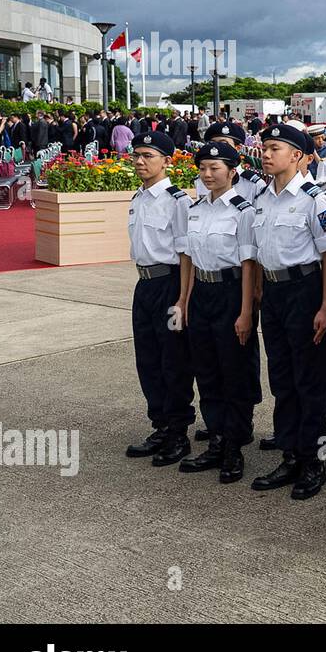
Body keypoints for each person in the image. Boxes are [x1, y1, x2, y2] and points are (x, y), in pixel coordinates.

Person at [248, 123, 326, 500]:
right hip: (273, 292)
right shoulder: (262, 196)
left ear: (297, 156)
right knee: (282, 379)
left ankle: (314, 460)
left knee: (310, 382)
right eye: (264, 148)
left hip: (305, 290)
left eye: (275, 148)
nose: (266, 154)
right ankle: (290, 454)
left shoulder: (313, 199)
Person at [179, 142, 259, 482]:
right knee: (207, 371)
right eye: (203, 169)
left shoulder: (243, 211)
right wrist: (184, 300)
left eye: (215, 168)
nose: (208, 174)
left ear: (232, 170)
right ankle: (215, 439)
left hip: (231, 293)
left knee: (234, 372)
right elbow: (189, 260)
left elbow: (249, 265)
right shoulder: (195, 209)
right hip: (203, 294)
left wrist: (245, 313)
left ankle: (234, 447)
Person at [122, 130, 197, 467]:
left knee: (173, 359)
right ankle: (161, 425)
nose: (140, 161)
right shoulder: (138, 198)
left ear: (167, 161)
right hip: (145, 287)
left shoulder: (178, 201)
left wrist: (182, 299)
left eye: (148, 156)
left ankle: (178, 431)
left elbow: (186, 255)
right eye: (136, 155)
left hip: (169, 287)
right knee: (148, 359)